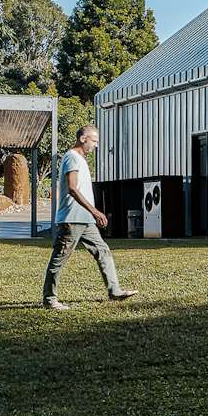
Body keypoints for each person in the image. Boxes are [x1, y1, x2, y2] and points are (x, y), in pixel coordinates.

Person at [42, 124, 138, 310]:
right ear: (83, 138)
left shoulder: (81, 159)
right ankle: (49, 299)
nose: (96, 145)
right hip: (71, 219)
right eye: (94, 141)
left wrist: (91, 214)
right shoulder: (72, 158)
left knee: (102, 250)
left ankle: (114, 290)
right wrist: (95, 211)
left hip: (85, 220)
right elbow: (72, 188)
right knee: (59, 258)